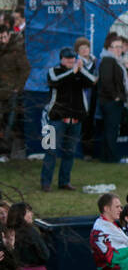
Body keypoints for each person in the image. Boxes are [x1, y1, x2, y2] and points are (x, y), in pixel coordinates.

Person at [41, 47, 96, 192]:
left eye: (73, 60)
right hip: (56, 120)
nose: (71, 63)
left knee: (69, 152)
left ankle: (64, 182)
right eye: (68, 60)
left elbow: (92, 81)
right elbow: (56, 81)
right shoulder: (54, 71)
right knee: (51, 151)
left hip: (75, 120)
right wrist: (73, 72)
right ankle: (45, 182)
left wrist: (81, 70)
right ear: (62, 59)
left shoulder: (79, 72)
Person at [96, 34, 128, 164]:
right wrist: (116, 97)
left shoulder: (116, 60)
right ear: (109, 48)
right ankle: (111, 157)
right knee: (111, 130)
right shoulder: (108, 60)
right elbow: (106, 81)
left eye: (120, 47)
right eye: (115, 47)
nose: (118, 49)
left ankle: (106, 156)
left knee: (110, 130)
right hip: (110, 102)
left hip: (112, 101)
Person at [0, 22, 30, 161]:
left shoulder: (16, 51)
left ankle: (5, 152)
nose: (2, 40)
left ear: (8, 36)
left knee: (9, 123)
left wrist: (18, 87)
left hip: (10, 92)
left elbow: (25, 69)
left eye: (4, 37)